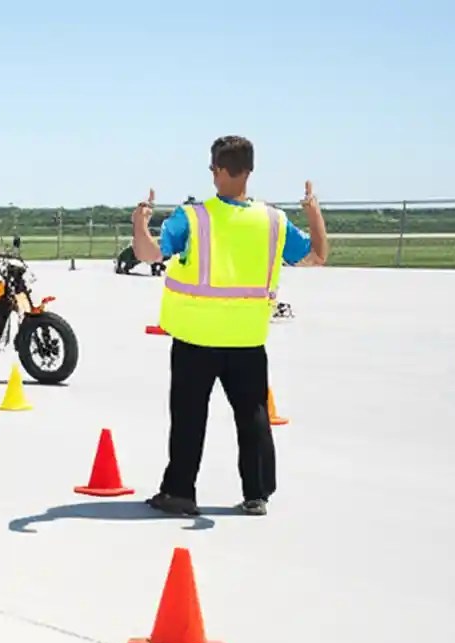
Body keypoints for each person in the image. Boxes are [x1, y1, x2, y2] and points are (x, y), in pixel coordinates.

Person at [131, 135, 328, 517]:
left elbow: (148, 254)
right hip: (247, 338)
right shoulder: (273, 220)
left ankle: (180, 493)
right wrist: (313, 211)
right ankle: (257, 494)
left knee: (189, 417)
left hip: (196, 337)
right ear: (249, 171)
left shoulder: (193, 217)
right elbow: (318, 255)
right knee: (253, 416)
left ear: (219, 170)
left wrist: (140, 223)